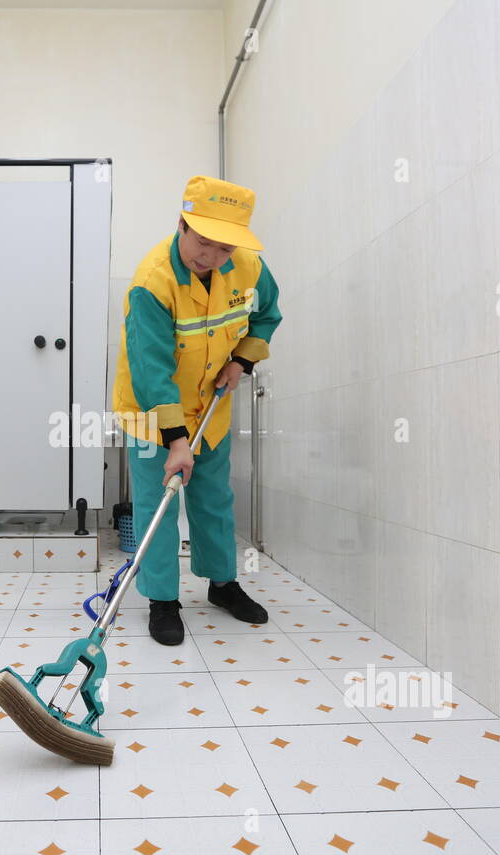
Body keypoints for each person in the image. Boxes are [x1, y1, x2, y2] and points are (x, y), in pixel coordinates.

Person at [112, 175, 283, 645]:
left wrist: (242, 360)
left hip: (211, 405)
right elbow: (151, 369)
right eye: (203, 242)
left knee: (213, 499)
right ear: (182, 225)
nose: (210, 256)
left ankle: (222, 585)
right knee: (159, 505)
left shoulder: (249, 268)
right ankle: (162, 599)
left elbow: (267, 315)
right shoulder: (152, 283)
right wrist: (176, 441)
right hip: (152, 415)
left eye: (224, 248)